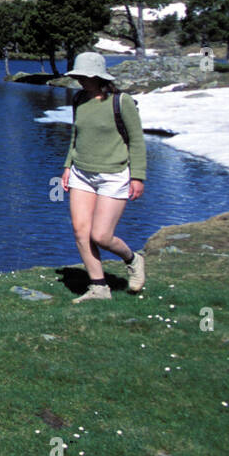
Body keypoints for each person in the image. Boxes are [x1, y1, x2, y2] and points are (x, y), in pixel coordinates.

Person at [61, 51, 147, 302]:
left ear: (98, 76)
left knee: (101, 235)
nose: (79, 80)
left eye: (83, 76)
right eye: (77, 75)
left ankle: (133, 259)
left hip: (114, 175)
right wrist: (68, 166)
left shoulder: (121, 102)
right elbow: (76, 136)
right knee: (80, 231)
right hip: (81, 174)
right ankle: (99, 287)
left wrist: (138, 176)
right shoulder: (79, 99)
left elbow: (137, 141)